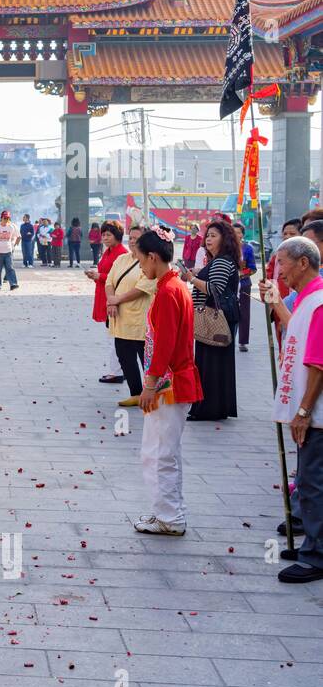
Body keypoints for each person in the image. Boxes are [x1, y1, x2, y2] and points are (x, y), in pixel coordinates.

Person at [132, 230, 202, 537]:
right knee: (160, 451)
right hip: (170, 381)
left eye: (140, 261)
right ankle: (166, 511)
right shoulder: (174, 286)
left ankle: (170, 517)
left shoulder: (168, 292)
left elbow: (164, 344)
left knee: (161, 452)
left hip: (168, 383)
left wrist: (149, 385)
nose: (140, 268)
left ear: (152, 256)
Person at [262, 237, 323, 581]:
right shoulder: (307, 299)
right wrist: (273, 301)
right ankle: (313, 543)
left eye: (282, 263)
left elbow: (318, 363)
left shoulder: (318, 302)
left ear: (303, 263)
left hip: (315, 412)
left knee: (313, 482)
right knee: (307, 479)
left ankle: (317, 554)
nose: (279, 270)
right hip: (308, 408)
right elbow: (296, 333)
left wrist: (303, 411)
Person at [181, 218, 240, 422]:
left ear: (225, 239)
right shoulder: (217, 260)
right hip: (215, 318)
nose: (208, 239)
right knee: (212, 363)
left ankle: (209, 409)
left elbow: (215, 289)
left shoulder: (222, 261)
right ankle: (214, 407)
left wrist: (191, 279)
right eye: (208, 235)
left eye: (213, 236)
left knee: (211, 364)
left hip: (216, 318)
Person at [105, 225, 156, 408]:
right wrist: (112, 300)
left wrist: (116, 299)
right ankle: (135, 393)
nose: (133, 241)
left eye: (137, 238)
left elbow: (143, 288)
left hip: (139, 319)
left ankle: (153, 392)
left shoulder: (150, 261)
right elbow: (109, 281)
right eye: (131, 237)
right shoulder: (122, 259)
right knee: (124, 357)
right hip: (120, 319)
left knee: (146, 359)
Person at [85, 220, 127, 385]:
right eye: (103, 234)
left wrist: (99, 276)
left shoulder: (121, 254)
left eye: (108, 235)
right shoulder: (108, 252)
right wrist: (96, 275)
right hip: (105, 296)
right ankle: (117, 370)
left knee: (114, 337)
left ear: (117, 236)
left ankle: (116, 371)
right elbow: (106, 272)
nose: (105, 238)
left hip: (115, 299)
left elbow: (118, 278)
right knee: (111, 336)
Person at [233, 222, 256, 352]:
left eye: (239, 232)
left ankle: (243, 342)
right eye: (234, 232)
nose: (236, 235)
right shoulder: (226, 248)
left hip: (244, 285)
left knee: (244, 313)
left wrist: (241, 274)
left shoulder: (248, 249)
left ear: (242, 234)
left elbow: (253, 269)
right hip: (229, 285)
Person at [0, 210, 19, 291]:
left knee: (10, 268)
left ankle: (13, 284)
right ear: (1, 218)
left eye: (8, 218)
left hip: (8, 251)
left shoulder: (11, 227)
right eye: (5, 218)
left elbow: (18, 236)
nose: (6, 220)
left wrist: (14, 245)